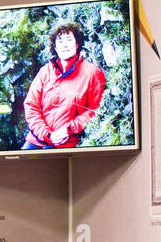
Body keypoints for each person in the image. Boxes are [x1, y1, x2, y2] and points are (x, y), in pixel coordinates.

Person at [22, 21, 107, 149]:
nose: (64, 45)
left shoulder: (92, 73)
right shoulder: (45, 71)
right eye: (60, 41)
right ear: (55, 47)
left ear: (77, 44)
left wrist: (68, 129)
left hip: (65, 144)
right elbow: (31, 106)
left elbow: (95, 110)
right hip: (37, 140)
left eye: (69, 40)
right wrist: (46, 134)